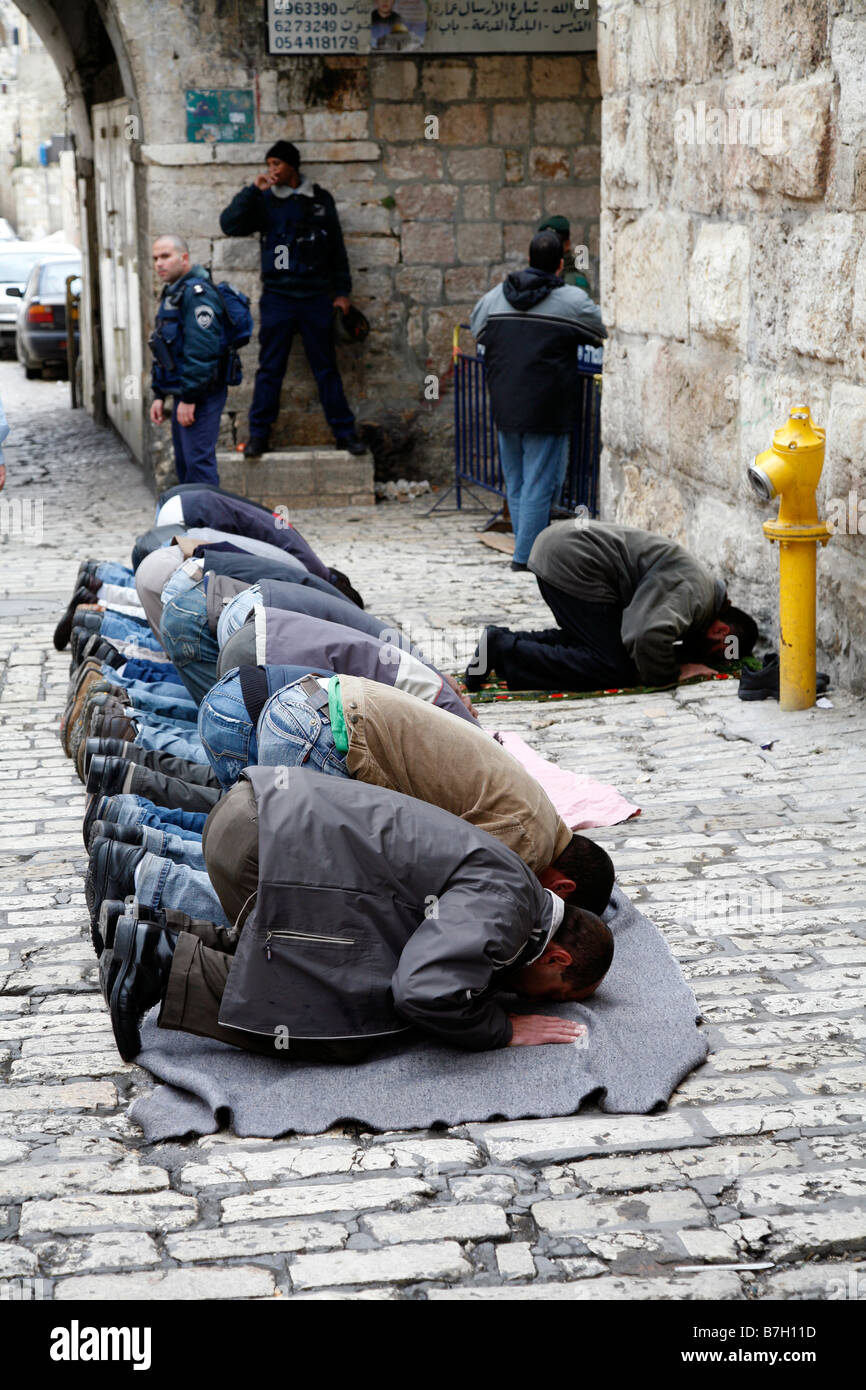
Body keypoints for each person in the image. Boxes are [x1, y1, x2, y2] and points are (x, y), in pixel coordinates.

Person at [104, 766, 614, 1062]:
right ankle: (162, 968)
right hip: (261, 845)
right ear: (559, 958)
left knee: (316, 962)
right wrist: (501, 1030)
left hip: (252, 812)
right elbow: (422, 991)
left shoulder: (515, 886)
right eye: (559, 995)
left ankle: (145, 936)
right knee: (349, 1012)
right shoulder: (509, 906)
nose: (544, 1002)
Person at [252, 672, 614, 912]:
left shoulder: (543, 816)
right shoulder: (528, 845)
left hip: (309, 706)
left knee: (261, 865)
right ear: (562, 888)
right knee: (301, 900)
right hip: (321, 735)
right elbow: (450, 904)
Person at [466, 518, 759, 694]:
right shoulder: (696, 593)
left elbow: (632, 629)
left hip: (566, 553)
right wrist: (674, 671)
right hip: (574, 560)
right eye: (720, 651)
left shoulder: (698, 588)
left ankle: (500, 643)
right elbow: (644, 635)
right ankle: (506, 649)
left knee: (594, 643)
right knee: (612, 666)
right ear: (721, 631)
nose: (711, 655)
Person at [470, 230, 606, 571]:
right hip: (548, 405)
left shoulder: (494, 297)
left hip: (505, 402)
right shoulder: (572, 300)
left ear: (529, 259)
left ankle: (524, 548)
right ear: (560, 265)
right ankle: (526, 557)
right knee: (539, 484)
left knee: (515, 482)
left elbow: (477, 329)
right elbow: (603, 326)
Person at [219, 141, 365, 457]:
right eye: (269, 164)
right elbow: (230, 225)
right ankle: (258, 437)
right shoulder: (265, 200)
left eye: (277, 164)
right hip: (278, 298)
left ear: (292, 167)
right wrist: (252, 191)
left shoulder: (320, 200)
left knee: (326, 368)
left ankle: (345, 434)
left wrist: (341, 293)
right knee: (270, 369)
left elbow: (338, 249)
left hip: (316, 297)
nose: (272, 170)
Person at [149, 235, 229, 486]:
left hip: (201, 394)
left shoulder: (197, 294)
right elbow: (164, 347)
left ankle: (209, 523)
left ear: (184, 258)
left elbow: (202, 350)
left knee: (198, 464)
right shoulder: (174, 293)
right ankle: (194, 522)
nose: (159, 264)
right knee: (186, 465)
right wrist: (159, 394)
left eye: (165, 256)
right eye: (155, 259)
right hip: (184, 392)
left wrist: (190, 397)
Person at [537, 214, 591, 292]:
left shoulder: (574, 281)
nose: (548, 247)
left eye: (553, 242)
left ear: (567, 244)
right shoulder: (536, 276)